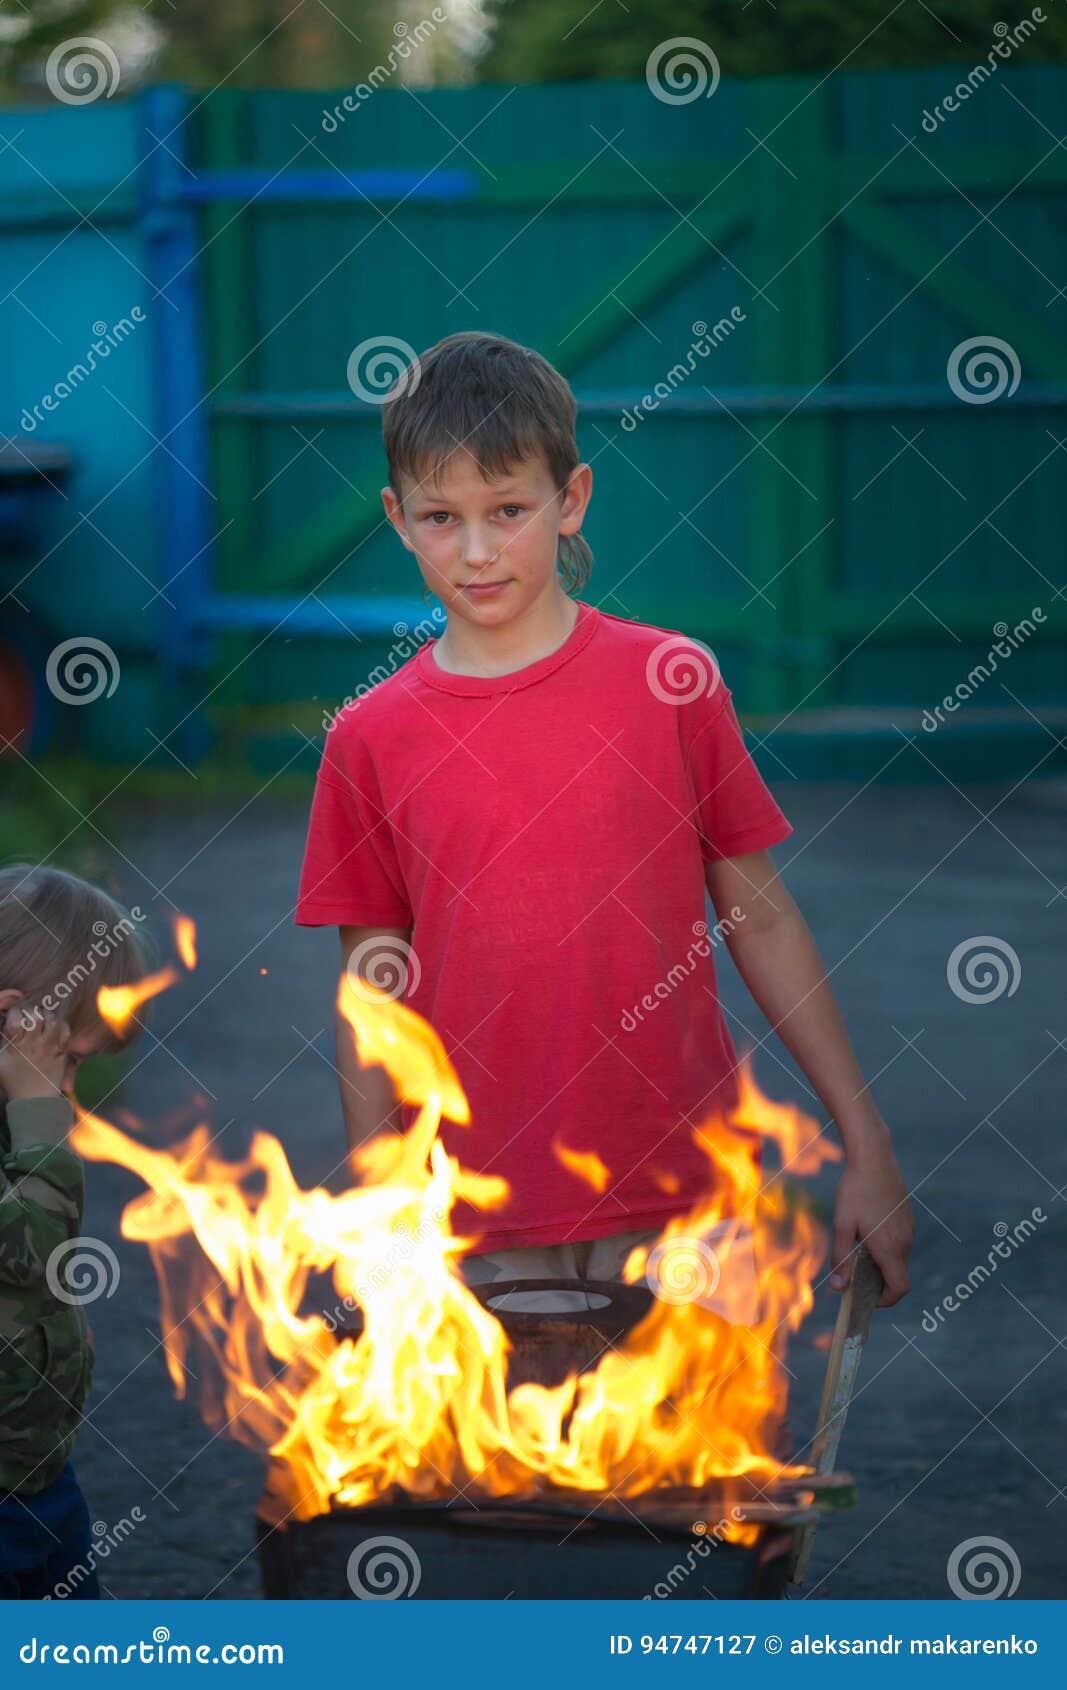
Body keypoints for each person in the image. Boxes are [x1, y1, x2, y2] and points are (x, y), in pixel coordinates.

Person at [294, 330, 914, 1320]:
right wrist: (378, 1211)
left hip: (689, 1199)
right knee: (502, 1437)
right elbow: (372, 986)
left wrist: (865, 1139)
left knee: (709, 1432)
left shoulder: (669, 682)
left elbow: (761, 919)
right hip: (473, 1217)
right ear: (397, 519)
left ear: (571, 497)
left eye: (508, 510)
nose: (477, 550)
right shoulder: (369, 735)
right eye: (441, 517)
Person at [0, 864, 151, 1600]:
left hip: (38, 1475)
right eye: (72, 1061)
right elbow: (28, 1249)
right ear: (15, 1020)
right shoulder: (28, 1120)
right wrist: (37, 1110)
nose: (68, 1090)